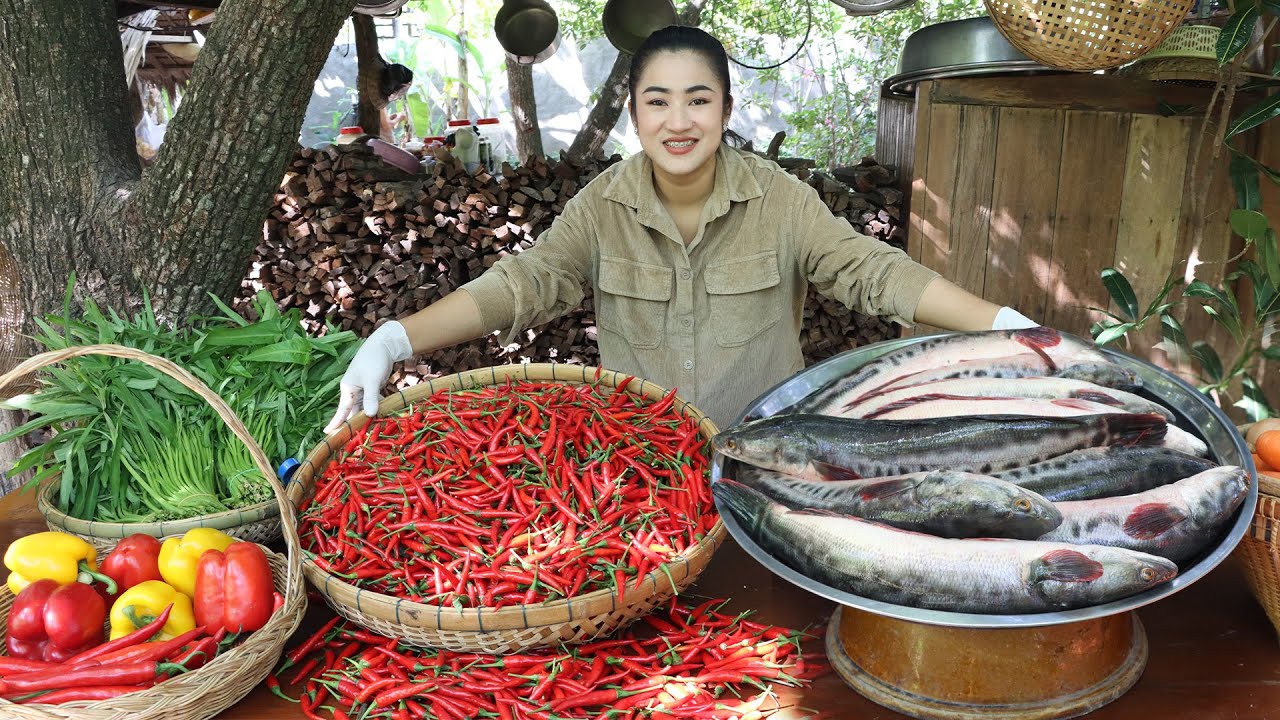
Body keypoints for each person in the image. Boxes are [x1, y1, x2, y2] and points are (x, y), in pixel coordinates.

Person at [323, 26, 1036, 433]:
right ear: (635, 113)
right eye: (658, 101)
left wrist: (1002, 322)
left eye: (699, 99)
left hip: (763, 457)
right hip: (642, 465)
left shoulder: (779, 199)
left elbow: (871, 271)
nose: (679, 120)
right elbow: (526, 282)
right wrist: (395, 337)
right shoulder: (605, 206)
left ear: (725, 109)